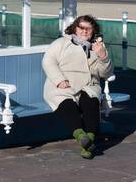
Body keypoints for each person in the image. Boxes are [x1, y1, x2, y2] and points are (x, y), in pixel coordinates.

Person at [42, 14, 114, 159]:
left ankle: (87, 143)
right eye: (81, 27)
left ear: (93, 31)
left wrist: (103, 56)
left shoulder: (97, 47)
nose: (84, 31)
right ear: (75, 28)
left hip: (88, 84)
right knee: (67, 106)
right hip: (63, 85)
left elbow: (105, 72)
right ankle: (82, 137)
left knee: (92, 103)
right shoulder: (61, 43)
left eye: (89, 28)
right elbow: (48, 61)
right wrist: (59, 80)